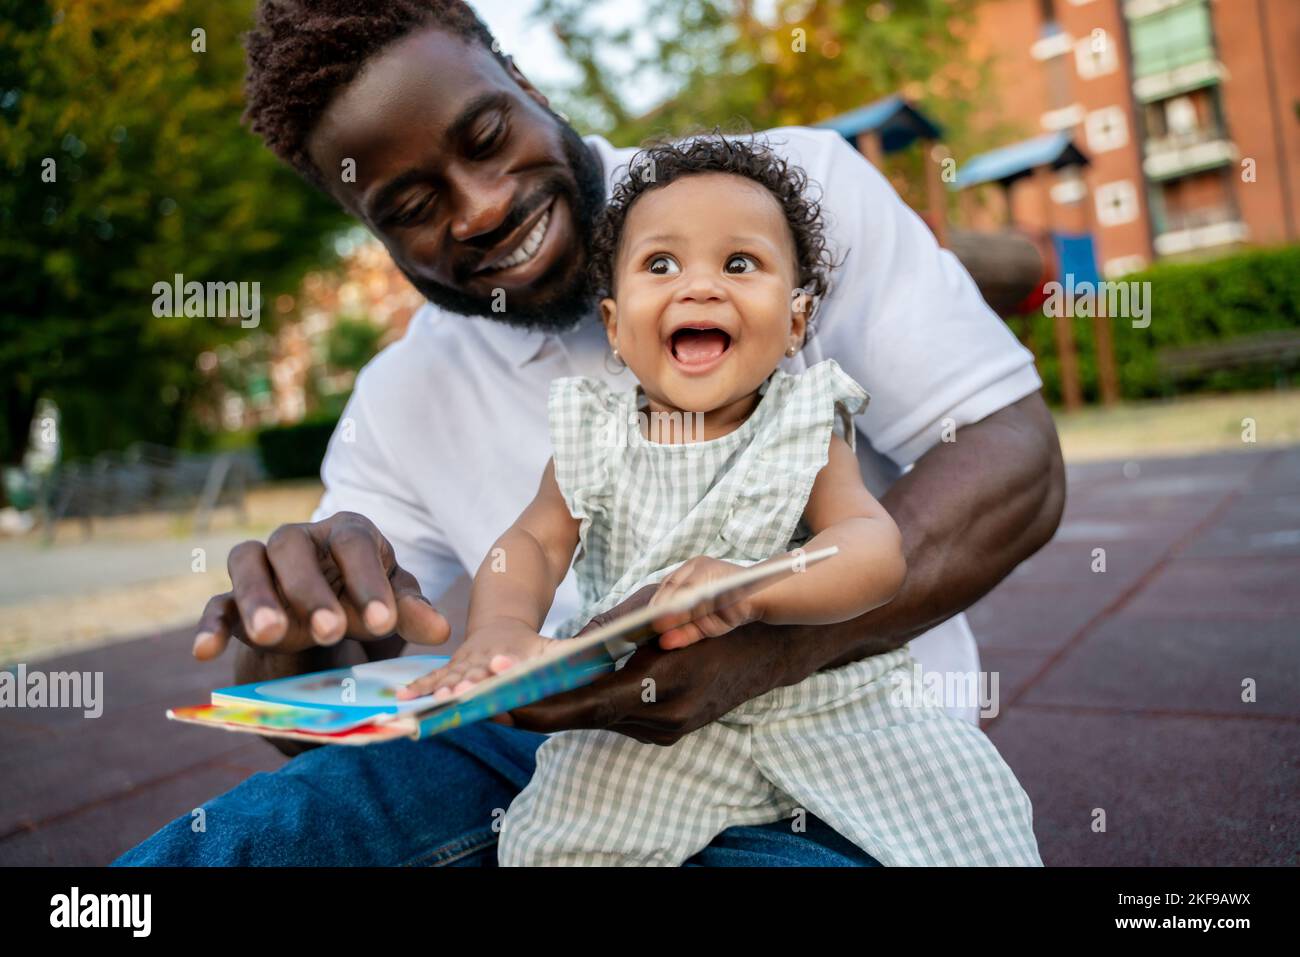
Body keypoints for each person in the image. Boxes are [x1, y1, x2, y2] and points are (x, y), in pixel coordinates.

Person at [114, 0, 1064, 867]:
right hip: (569, 767)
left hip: (832, 765)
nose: (480, 207)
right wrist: (303, 632)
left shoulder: (785, 205)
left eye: (487, 137)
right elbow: (509, 560)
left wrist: (767, 628)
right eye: (409, 208)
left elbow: (1005, 461)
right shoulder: (423, 397)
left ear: (524, 84)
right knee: (245, 842)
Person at [399, 135, 1041, 866]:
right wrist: (501, 628)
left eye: (740, 263)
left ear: (796, 320)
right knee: (549, 846)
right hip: (647, 724)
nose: (698, 287)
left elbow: (874, 548)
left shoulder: (804, 420)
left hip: (834, 703)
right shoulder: (593, 433)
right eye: (661, 264)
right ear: (614, 326)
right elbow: (534, 544)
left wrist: (758, 587)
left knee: (973, 823)